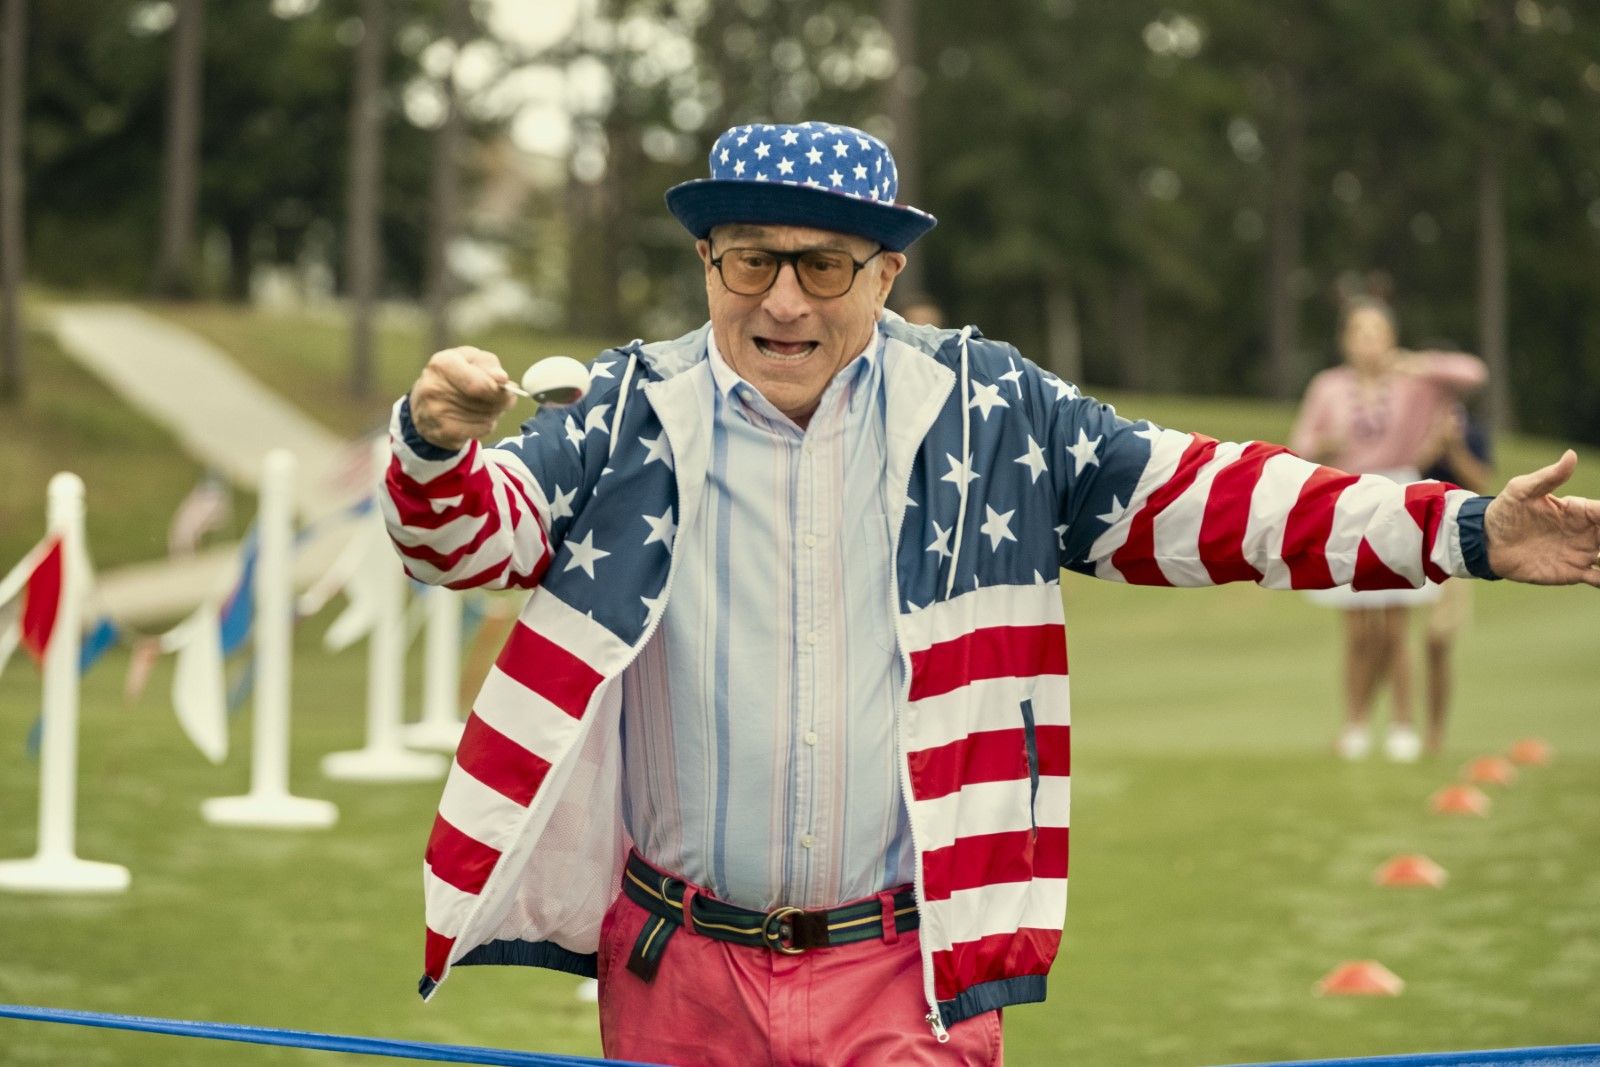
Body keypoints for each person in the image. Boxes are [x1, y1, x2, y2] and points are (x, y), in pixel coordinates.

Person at [385, 121, 1600, 1066]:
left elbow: (1218, 498)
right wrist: (433, 447)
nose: (784, 300)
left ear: (887, 268)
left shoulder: (989, 407)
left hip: (905, 968)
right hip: (674, 964)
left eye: (823, 263)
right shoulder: (624, 408)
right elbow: (464, 545)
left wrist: (1473, 528)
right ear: (708, 258)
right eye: (750, 259)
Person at [1287, 298, 1487, 762]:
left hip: (1399, 494)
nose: (1368, 342)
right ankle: (1354, 724)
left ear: (1391, 338)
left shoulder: (1414, 382)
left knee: (1397, 625)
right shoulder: (1329, 386)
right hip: (1344, 497)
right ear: (1345, 340)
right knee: (1358, 630)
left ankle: (1402, 726)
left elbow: (1473, 374)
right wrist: (1324, 444)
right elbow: (1300, 442)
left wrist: (1415, 361)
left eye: (1377, 332)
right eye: (1359, 332)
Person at [1416, 400, 1496, 754]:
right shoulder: (1413, 426)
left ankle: (1434, 734)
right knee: (1387, 637)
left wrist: (1455, 447)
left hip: (1453, 545)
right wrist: (1433, 443)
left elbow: (1481, 482)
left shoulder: (1473, 433)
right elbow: (1405, 470)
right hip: (1406, 538)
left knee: (1437, 641)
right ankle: (1397, 730)